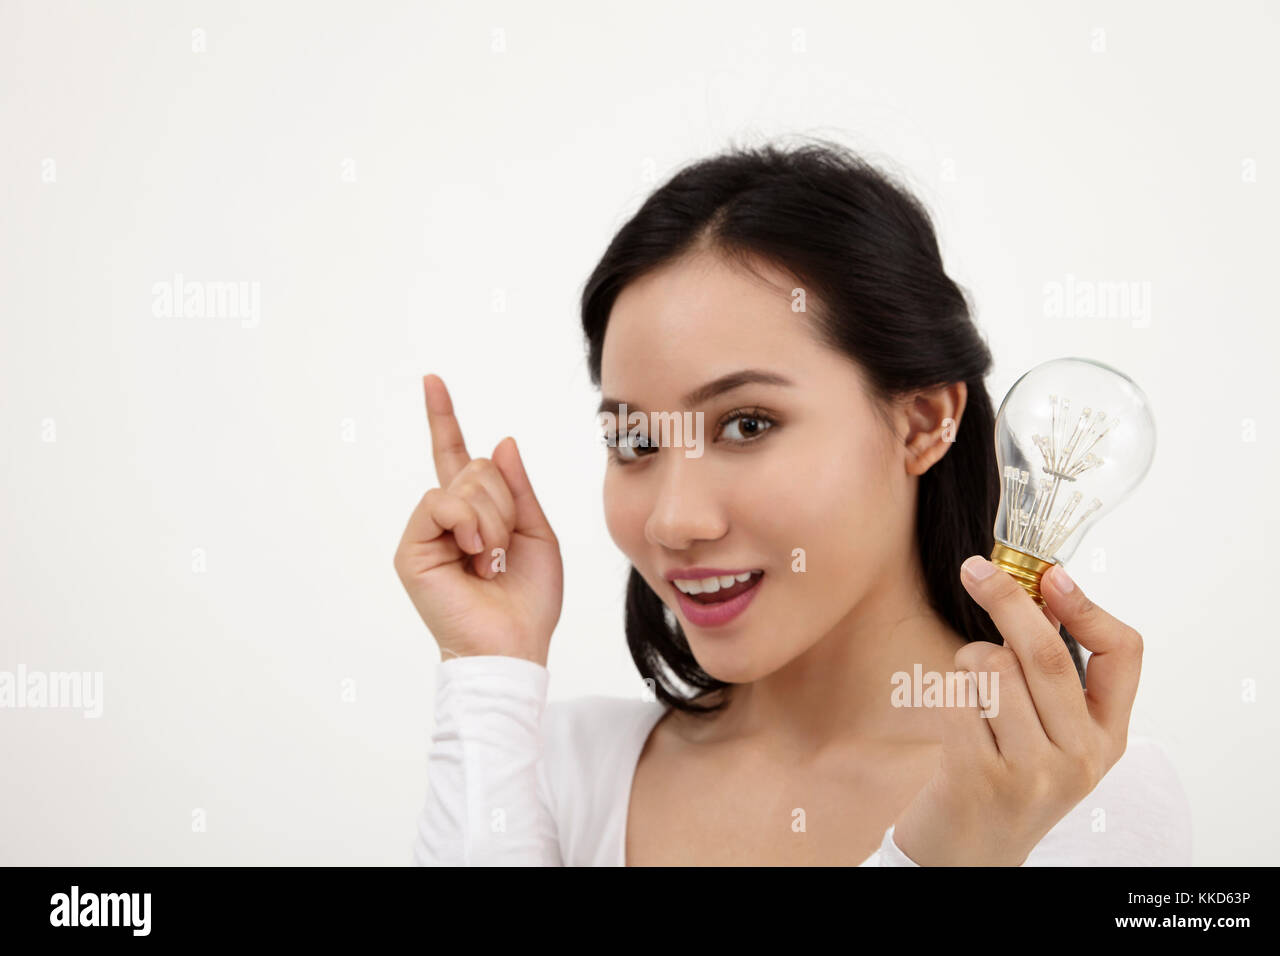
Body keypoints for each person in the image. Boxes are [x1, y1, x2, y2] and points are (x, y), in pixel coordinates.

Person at [396, 139, 1193, 866]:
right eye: (635, 441)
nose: (675, 520)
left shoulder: (1076, 800)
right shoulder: (555, 767)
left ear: (924, 422)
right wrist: (487, 667)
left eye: (747, 423)